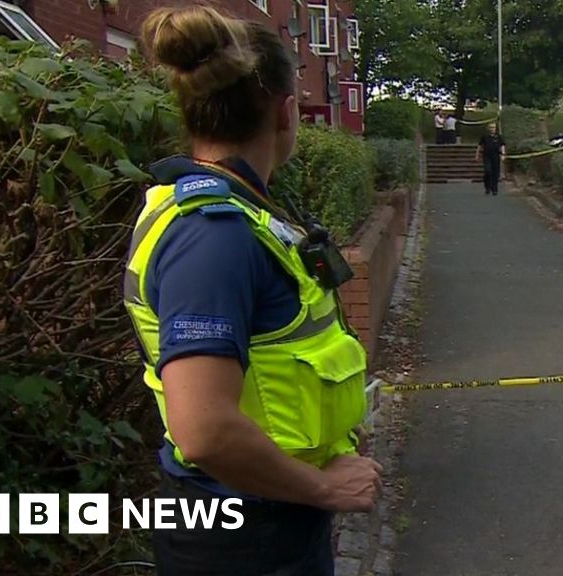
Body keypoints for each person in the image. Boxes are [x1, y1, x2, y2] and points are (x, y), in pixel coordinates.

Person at [125, 5, 382, 575]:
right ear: (288, 113)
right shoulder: (213, 238)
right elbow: (207, 430)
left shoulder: (241, 214)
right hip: (242, 534)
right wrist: (322, 488)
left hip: (258, 517)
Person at [477, 122, 506, 195]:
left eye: (493, 127)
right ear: (488, 128)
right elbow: (480, 146)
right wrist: (477, 155)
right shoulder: (485, 137)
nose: (492, 129)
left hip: (496, 156)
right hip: (487, 156)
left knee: (495, 173)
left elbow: (502, 145)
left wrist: (503, 154)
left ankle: (494, 189)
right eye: (491, 127)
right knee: (488, 171)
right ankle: (487, 187)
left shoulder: (498, 137)